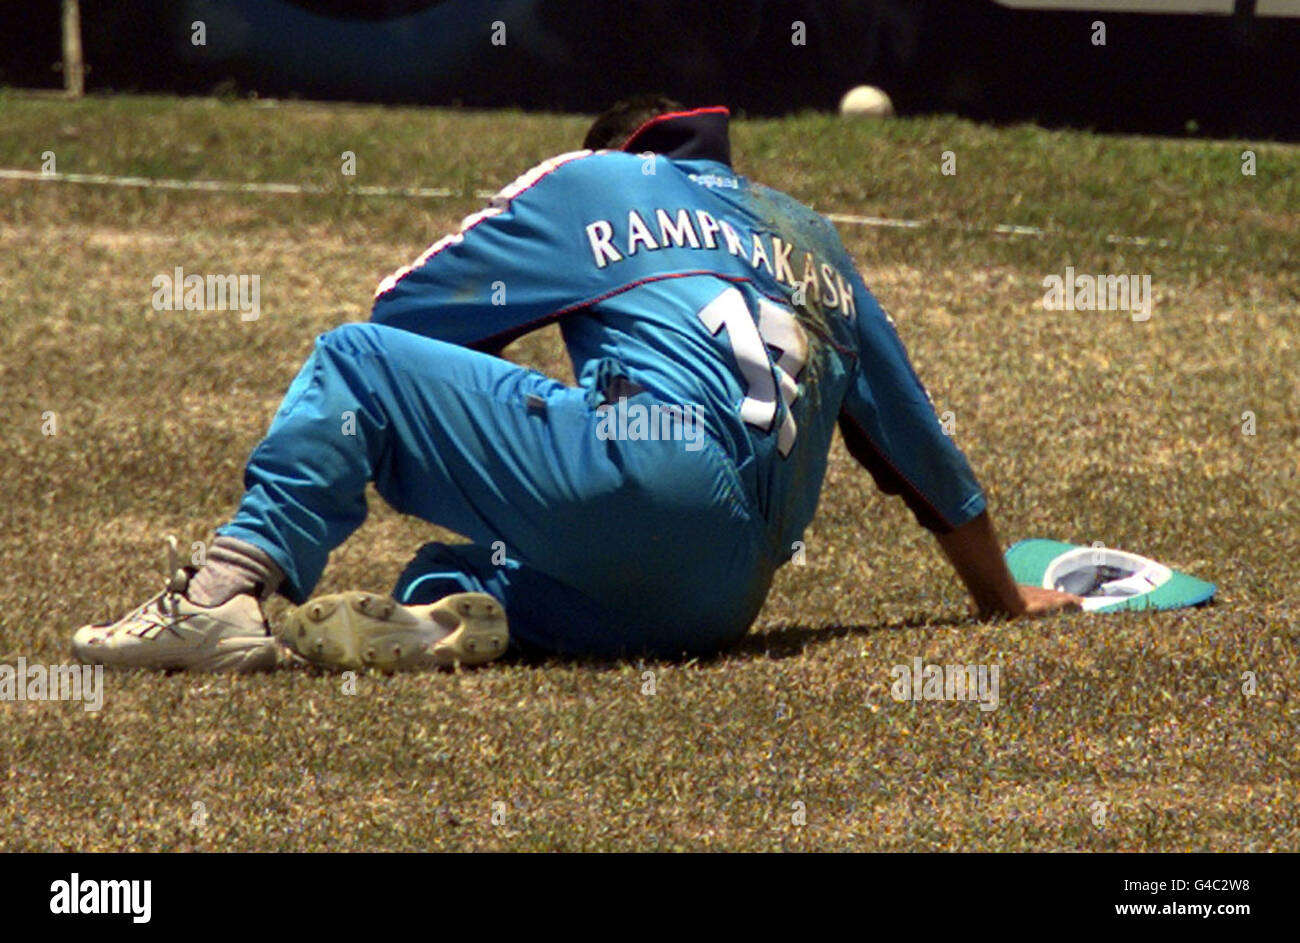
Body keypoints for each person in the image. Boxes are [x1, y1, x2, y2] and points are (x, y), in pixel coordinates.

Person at [72, 95, 1081, 673]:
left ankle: (220, 595)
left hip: (641, 478)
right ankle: (456, 612)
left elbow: (402, 322)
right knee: (450, 570)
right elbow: (923, 455)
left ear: (617, 147)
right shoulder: (811, 239)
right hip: (718, 601)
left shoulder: (594, 180)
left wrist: (523, 376)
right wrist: (1000, 600)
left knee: (350, 363)